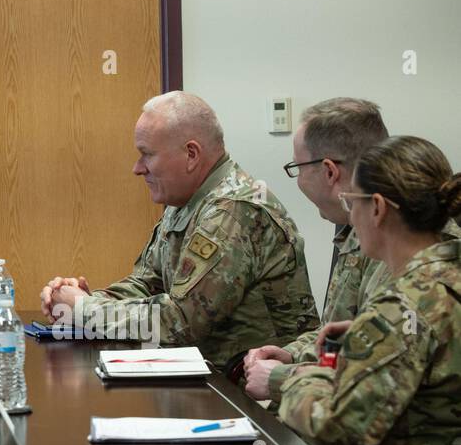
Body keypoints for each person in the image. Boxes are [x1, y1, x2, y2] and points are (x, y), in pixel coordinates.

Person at [39, 92, 316, 369]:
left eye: (147, 154)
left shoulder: (231, 210)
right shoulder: (187, 200)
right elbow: (147, 283)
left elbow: (181, 322)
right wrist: (85, 299)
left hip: (252, 392)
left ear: (191, 154)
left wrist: (85, 310)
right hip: (206, 376)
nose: (137, 168)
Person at [276, 136, 461, 445]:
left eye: (351, 203)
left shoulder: (406, 305)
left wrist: (299, 378)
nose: (350, 216)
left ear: (376, 208)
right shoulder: (447, 276)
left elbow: (336, 433)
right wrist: (369, 338)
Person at [242, 99, 389, 400]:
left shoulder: (392, 242)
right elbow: (342, 335)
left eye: (297, 167)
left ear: (329, 171)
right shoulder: (356, 231)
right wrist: (292, 354)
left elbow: (376, 371)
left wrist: (280, 378)